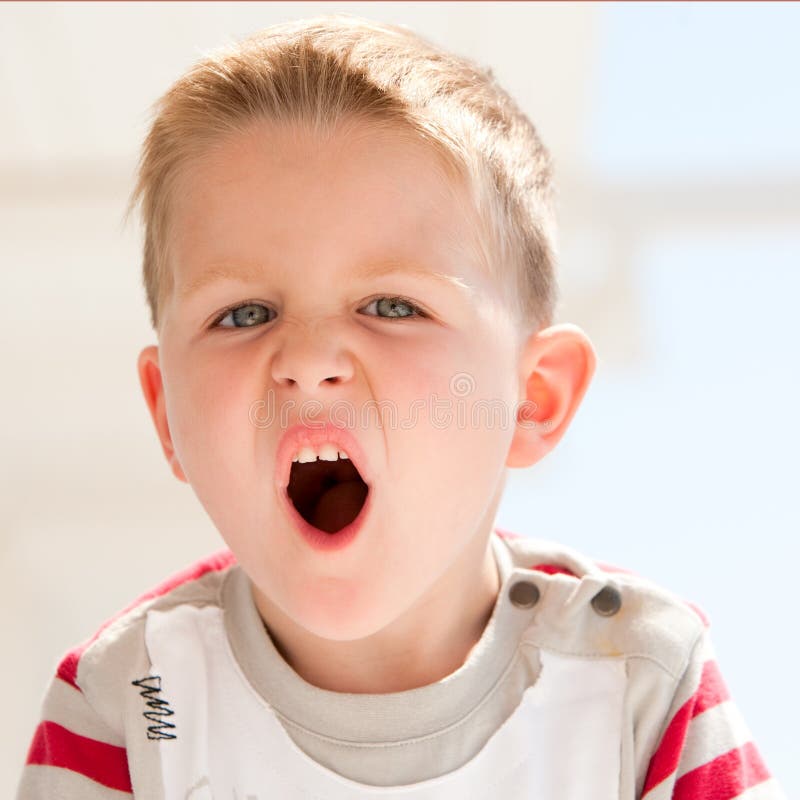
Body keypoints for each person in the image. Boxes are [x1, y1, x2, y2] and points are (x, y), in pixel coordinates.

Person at [16, 13, 785, 800]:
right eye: (244, 314)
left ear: (533, 398)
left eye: (390, 306)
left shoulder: (642, 685)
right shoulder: (129, 702)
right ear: (166, 414)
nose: (309, 361)